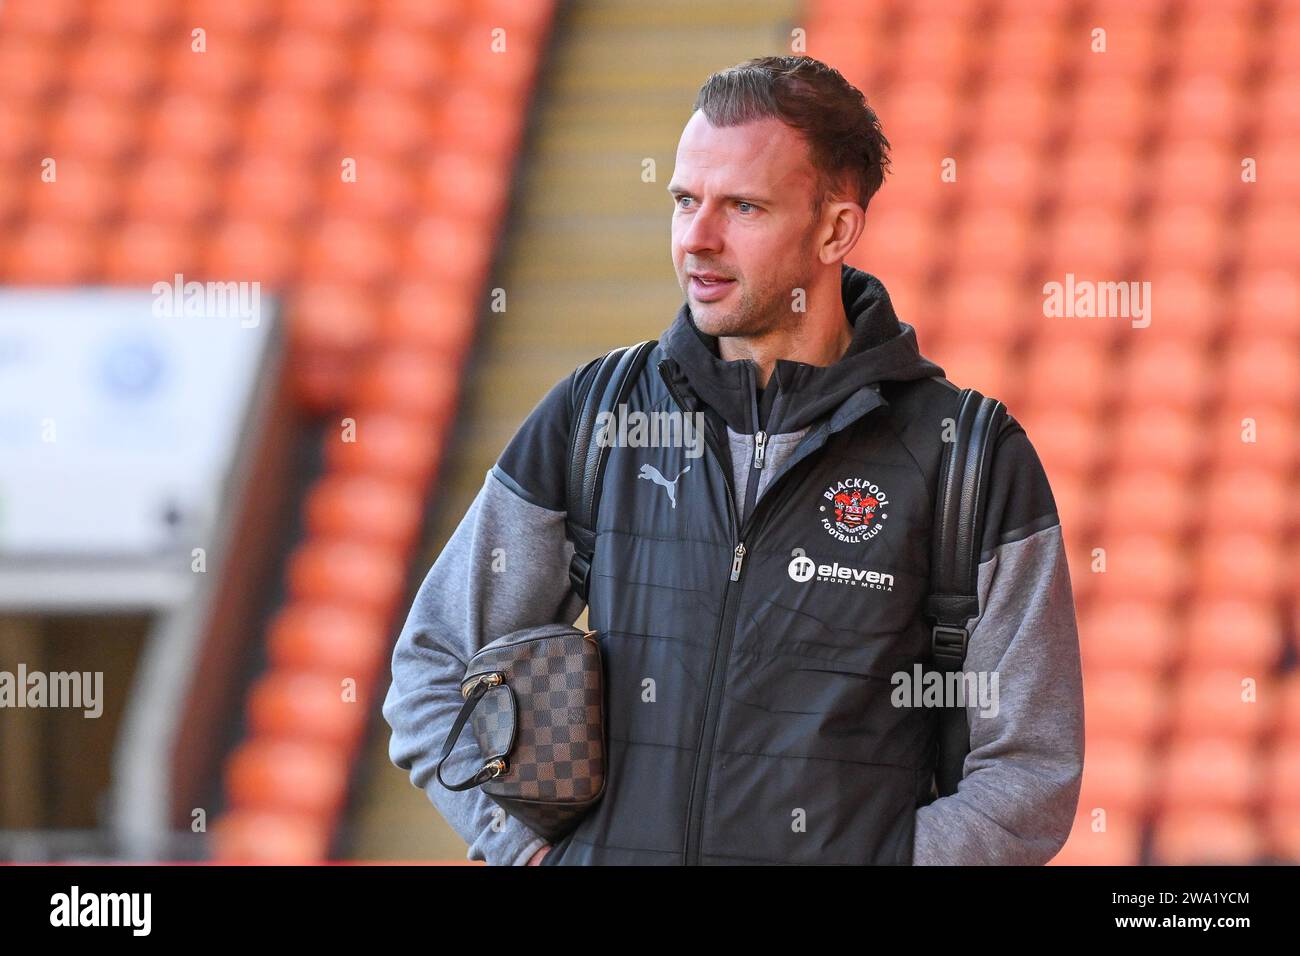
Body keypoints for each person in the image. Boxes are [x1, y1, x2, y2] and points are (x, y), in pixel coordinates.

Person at [382, 54, 1084, 866]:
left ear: (835, 230)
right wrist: (524, 850)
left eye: (742, 207)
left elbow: (1031, 770)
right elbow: (432, 669)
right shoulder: (596, 414)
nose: (697, 239)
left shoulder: (970, 459)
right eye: (685, 201)